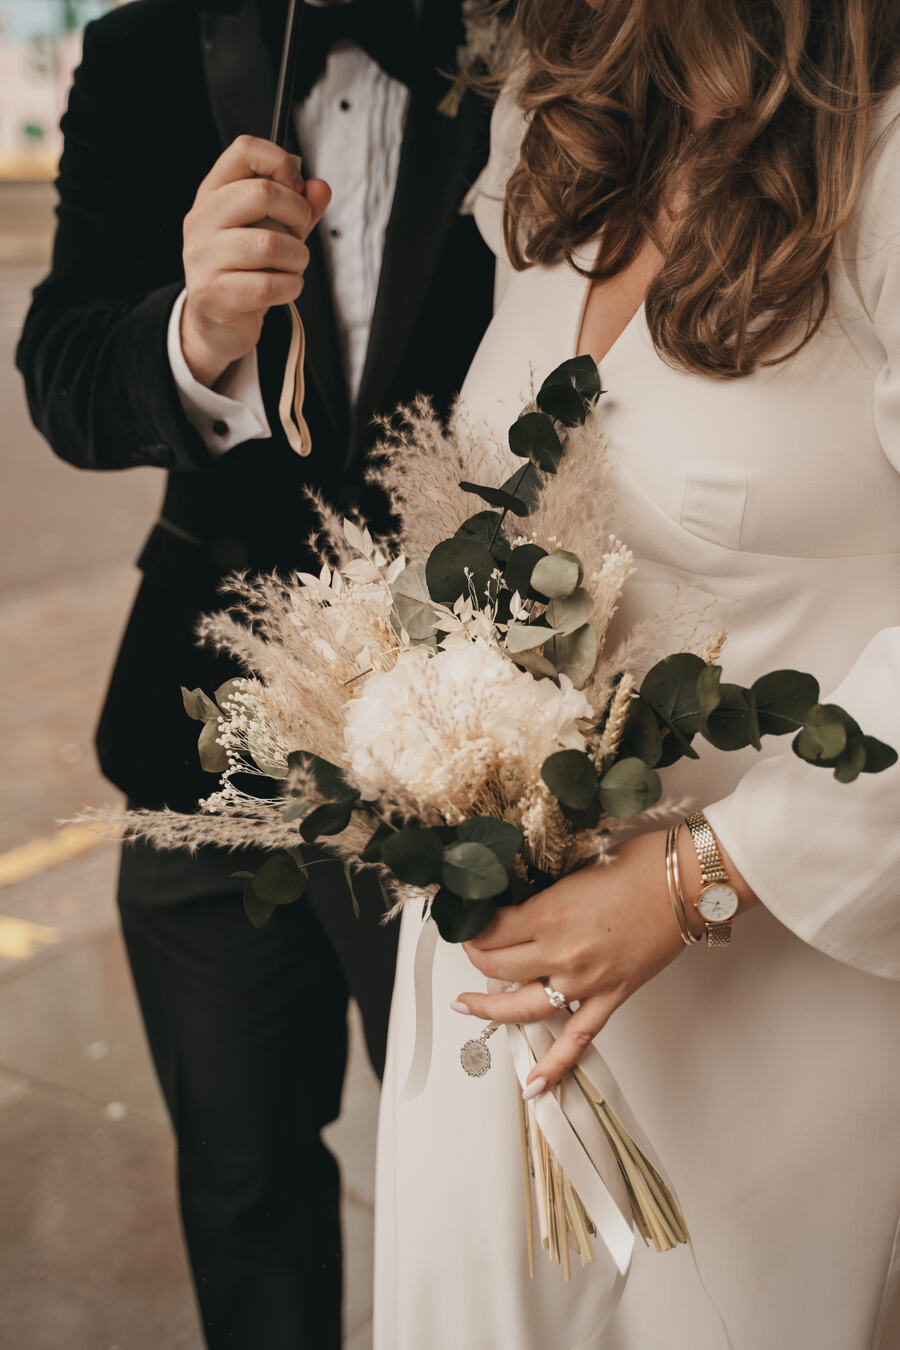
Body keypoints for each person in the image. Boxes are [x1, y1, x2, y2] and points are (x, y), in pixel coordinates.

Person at [373, 2, 900, 1347]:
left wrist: (702, 875)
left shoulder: (885, 165)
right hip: (491, 992)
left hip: (761, 1006)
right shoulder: (556, 132)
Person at [16, 1, 494, 1346]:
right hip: (204, 734)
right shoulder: (138, 49)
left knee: (484, 1200)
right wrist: (192, 336)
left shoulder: (550, 45)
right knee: (242, 1192)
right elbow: (59, 367)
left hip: (473, 755)